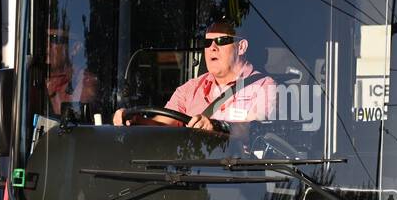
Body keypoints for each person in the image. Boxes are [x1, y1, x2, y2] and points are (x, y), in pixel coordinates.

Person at [113, 20, 276, 130]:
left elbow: (257, 131)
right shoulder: (190, 89)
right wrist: (136, 120)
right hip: (193, 172)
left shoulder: (264, 86)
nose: (212, 48)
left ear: (241, 47)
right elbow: (163, 125)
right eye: (207, 43)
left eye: (221, 41)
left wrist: (218, 126)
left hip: (240, 174)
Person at [30, 24, 99, 116]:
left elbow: (75, 126)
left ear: (75, 47)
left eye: (55, 39)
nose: (46, 45)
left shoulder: (84, 83)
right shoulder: (29, 78)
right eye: (43, 39)